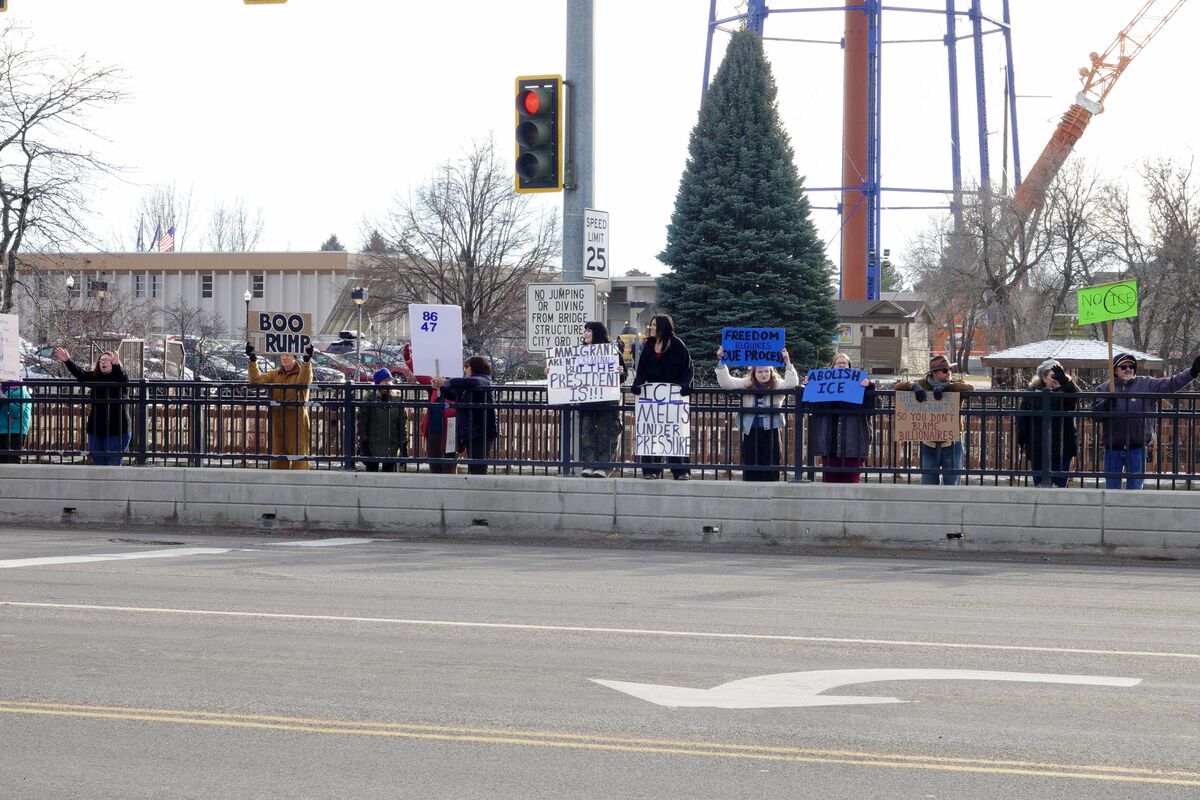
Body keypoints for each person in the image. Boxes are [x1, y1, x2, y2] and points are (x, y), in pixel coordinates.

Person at [1092, 352, 1200, 490]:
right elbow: (1095, 414)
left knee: (1136, 489)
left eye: (1131, 366)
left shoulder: (1147, 384)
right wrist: (1106, 404)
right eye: (1123, 366)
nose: (1128, 369)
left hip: (1137, 447)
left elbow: (1172, 383)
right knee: (1112, 489)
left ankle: (1134, 512)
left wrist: (1192, 372)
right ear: (1114, 370)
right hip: (1113, 448)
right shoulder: (1104, 388)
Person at [714, 345, 799, 481]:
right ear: (754, 373)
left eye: (766, 371)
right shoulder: (747, 383)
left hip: (771, 429)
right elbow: (727, 383)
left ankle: (771, 489)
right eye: (760, 372)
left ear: (771, 372)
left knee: (771, 463)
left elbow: (792, 382)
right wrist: (721, 361)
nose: (763, 374)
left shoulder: (777, 385)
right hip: (751, 430)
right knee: (750, 464)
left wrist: (787, 362)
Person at [630, 314, 694, 480]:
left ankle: (680, 471)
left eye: (654, 325)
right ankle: (651, 469)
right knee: (651, 434)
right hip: (652, 398)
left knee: (674, 434)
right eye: (650, 325)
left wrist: (686, 386)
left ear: (663, 327)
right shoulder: (649, 346)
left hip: (672, 398)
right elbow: (642, 369)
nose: (651, 328)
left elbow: (688, 368)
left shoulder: (678, 345)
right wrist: (637, 384)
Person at [894, 354, 974, 485]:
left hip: (952, 443)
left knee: (952, 485)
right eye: (944, 370)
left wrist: (947, 387)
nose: (949, 372)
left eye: (950, 369)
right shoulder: (923, 384)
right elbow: (897, 387)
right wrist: (913, 386)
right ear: (934, 373)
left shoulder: (955, 384)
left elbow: (970, 388)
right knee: (928, 485)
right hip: (929, 443)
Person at [54, 347, 131, 466]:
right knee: (98, 461)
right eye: (101, 360)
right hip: (97, 427)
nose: (103, 362)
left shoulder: (120, 377)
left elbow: (122, 377)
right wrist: (67, 361)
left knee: (113, 463)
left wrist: (116, 366)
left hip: (118, 429)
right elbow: (81, 374)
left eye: (107, 360)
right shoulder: (96, 377)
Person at [806, 352, 876, 483]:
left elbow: (872, 408)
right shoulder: (823, 386)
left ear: (850, 367)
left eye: (845, 363)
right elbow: (810, 406)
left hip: (853, 448)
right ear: (832, 367)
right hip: (830, 446)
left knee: (851, 484)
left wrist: (870, 388)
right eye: (838, 363)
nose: (842, 365)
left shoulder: (860, 386)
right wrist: (810, 387)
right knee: (829, 484)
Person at [247, 342, 315, 470]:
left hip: (297, 421)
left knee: (299, 456)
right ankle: (278, 485)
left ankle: (300, 486)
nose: (284, 357)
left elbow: (304, 381)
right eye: (282, 354)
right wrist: (252, 361)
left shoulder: (301, 372)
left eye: (288, 355)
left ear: (294, 357)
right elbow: (256, 381)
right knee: (278, 457)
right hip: (277, 420)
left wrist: (306, 362)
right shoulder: (274, 374)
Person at [1016, 359, 1078, 488]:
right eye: (1053, 375)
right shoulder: (1032, 394)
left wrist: (1065, 382)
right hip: (1038, 445)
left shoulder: (1066, 391)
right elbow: (1023, 417)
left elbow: (1075, 397)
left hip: (1063, 445)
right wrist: (1021, 438)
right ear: (1044, 377)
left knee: (1060, 482)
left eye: (1059, 375)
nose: (1056, 379)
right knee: (1039, 481)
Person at [434, 356, 500, 476]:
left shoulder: (483, 379)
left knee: (478, 465)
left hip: (481, 430)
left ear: (475, 367)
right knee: (474, 464)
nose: (465, 370)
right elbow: (457, 396)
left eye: (467, 367)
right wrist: (442, 387)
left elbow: (474, 382)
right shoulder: (470, 384)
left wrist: (446, 382)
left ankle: (478, 489)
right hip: (472, 429)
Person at [578, 321, 628, 477]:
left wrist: (620, 372)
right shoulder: (579, 353)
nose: (585, 333)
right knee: (587, 432)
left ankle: (604, 466)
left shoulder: (613, 353)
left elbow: (623, 377)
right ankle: (589, 464)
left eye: (589, 331)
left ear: (597, 333)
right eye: (585, 330)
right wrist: (553, 371)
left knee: (607, 433)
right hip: (587, 402)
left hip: (607, 402)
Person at [359, 367, 408, 472]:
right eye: (384, 381)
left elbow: (402, 422)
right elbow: (363, 422)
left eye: (389, 380)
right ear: (378, 383)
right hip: (373, 444)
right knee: (371, 477)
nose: (388, 383)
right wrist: (363, 444)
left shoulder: (396, 398)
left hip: (392, 445)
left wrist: (403, 444)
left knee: (390, 477)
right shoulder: (369, 398)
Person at [0, 376, 33, 464]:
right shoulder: (4, 389)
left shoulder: (21, 391)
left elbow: (16, 412)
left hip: (15, 431)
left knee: (12, 460)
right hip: (3, 430)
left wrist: (3, 399)